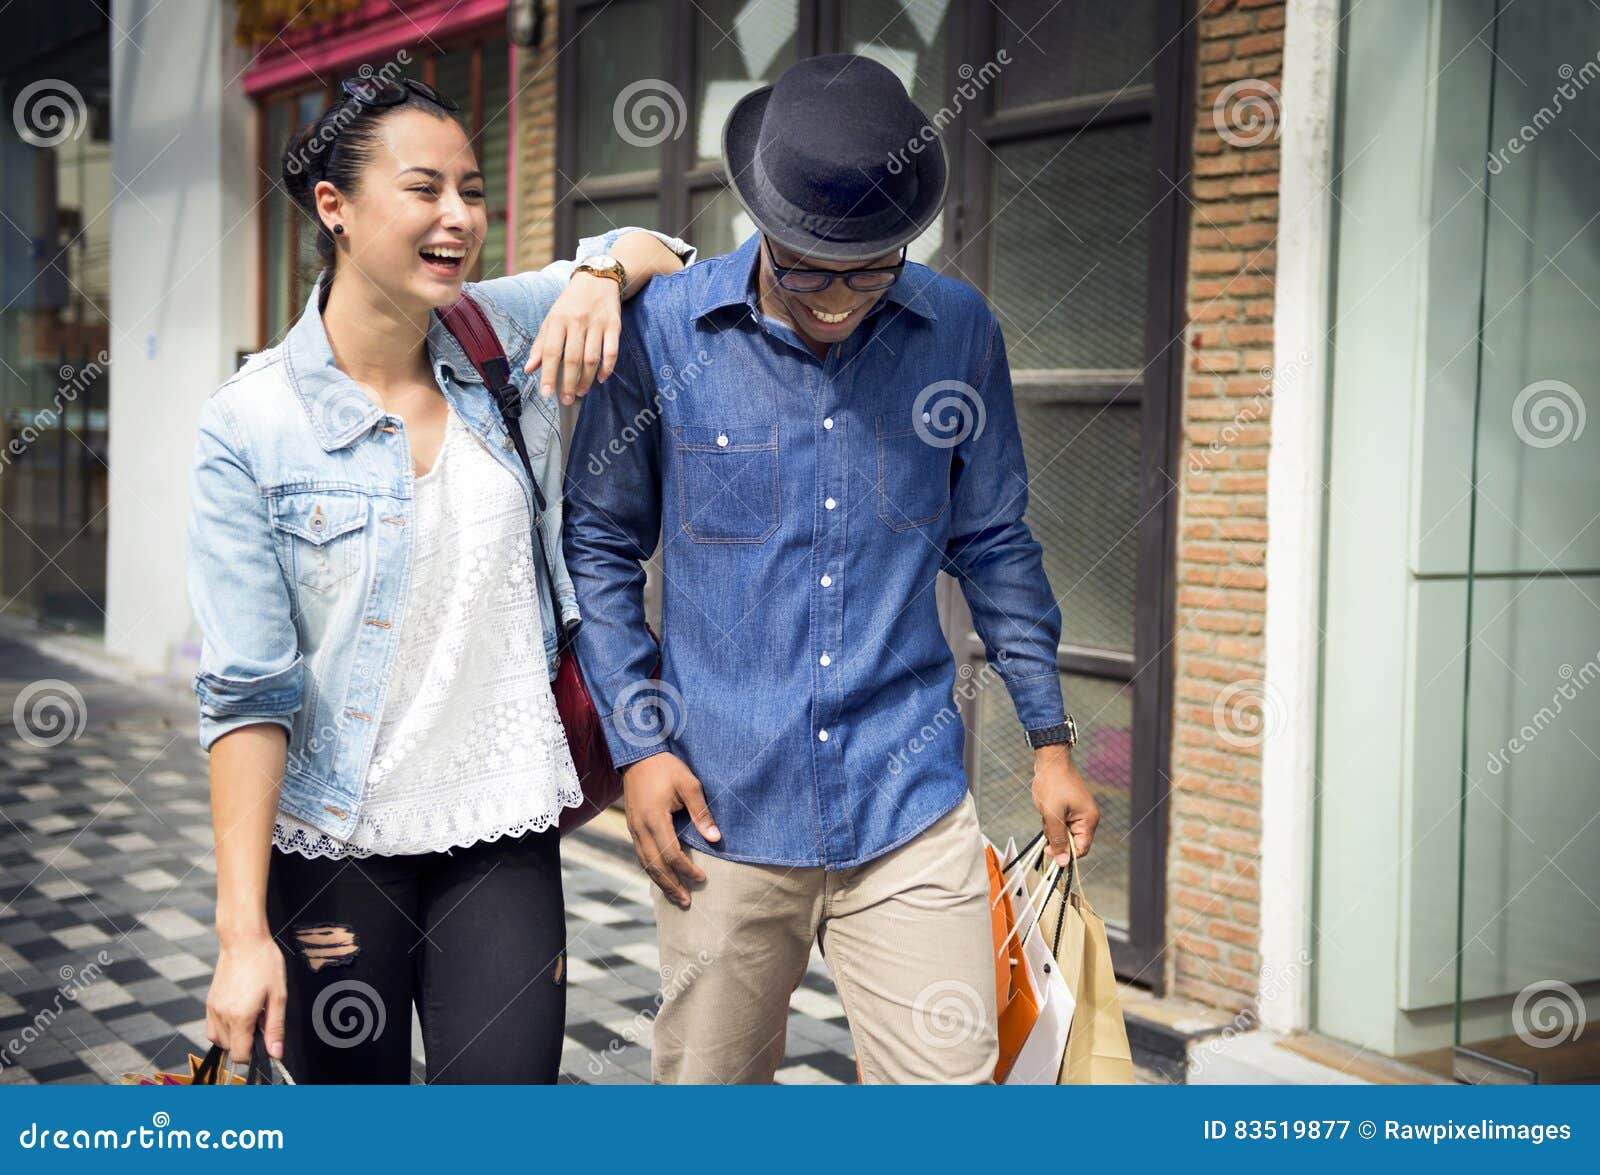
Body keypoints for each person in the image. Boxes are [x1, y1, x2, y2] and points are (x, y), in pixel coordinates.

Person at [563, 54, 1099, 1085]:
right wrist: (638, 742)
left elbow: (994, 543)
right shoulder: (667, 332)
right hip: (721, 811)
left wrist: (1049, 739)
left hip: (907, 806)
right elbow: (600, 540)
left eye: (872, 269)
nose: (841, 300)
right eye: (809, 268)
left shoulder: (958, 332)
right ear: (762, 223)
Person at [186, 74, 691, 1084]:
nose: (459, 217)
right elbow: (247, 692)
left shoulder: (495, 330)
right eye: (424, 189)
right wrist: (241, 931)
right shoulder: (248, 425)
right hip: (336, 839)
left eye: (471, 188)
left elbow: (664, 249)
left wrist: (595, 277)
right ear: (335, 206)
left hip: (499, 817)